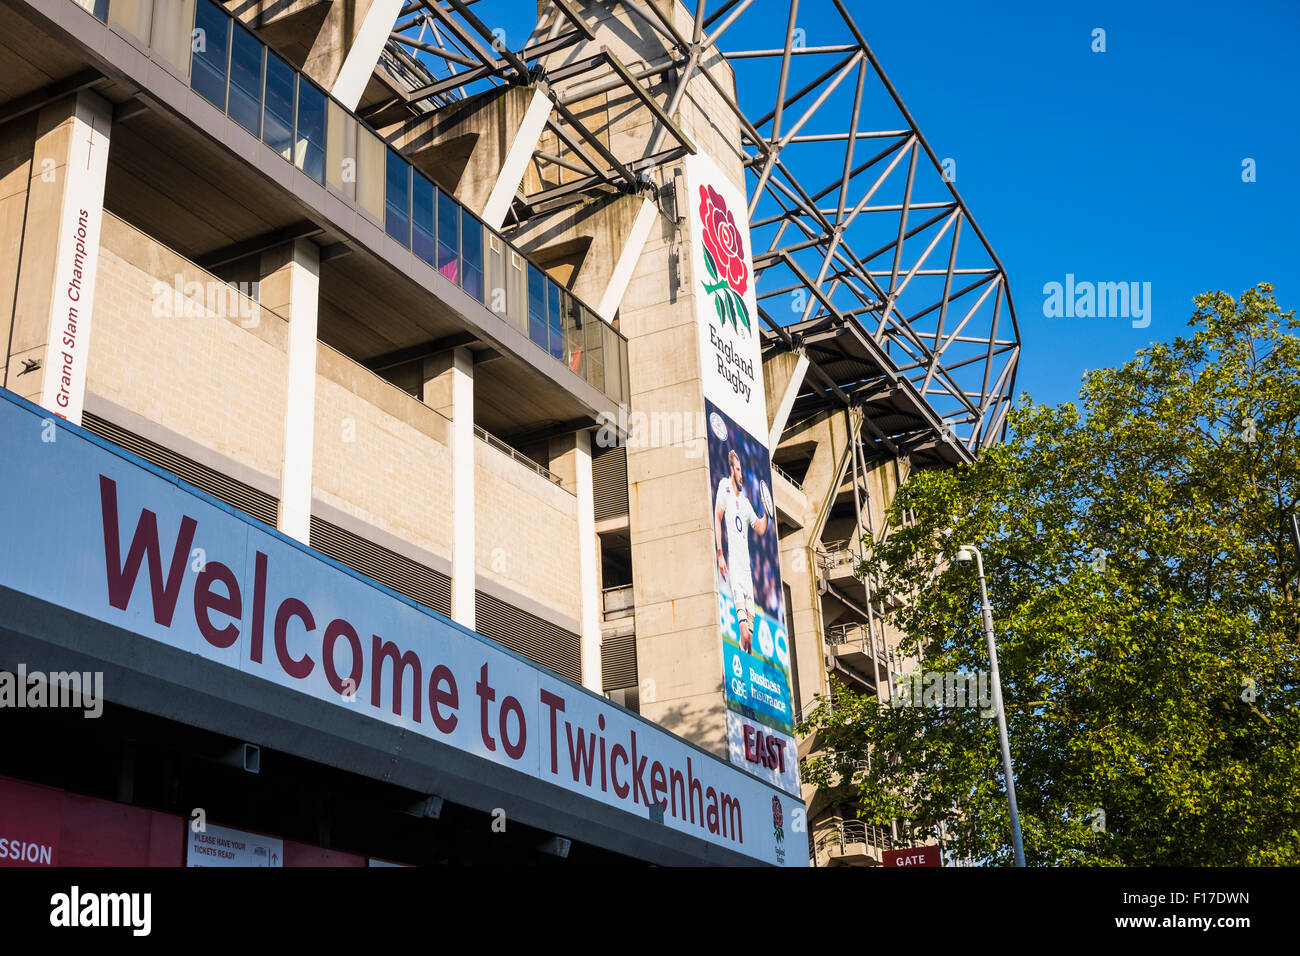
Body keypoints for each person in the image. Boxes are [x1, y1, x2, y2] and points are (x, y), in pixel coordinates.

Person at [715, 448, 769, 654]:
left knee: (749, 641)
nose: (741, 473)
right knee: (745, 631)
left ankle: (743, 658)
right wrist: (720, 554)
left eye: (741, 469)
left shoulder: (746, 503)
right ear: (731, 469)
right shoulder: (724, 487)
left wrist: (767, 511)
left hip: (747, 571)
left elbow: (761, 528)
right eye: (737, 469)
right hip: (735, 567)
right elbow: (717, 517)